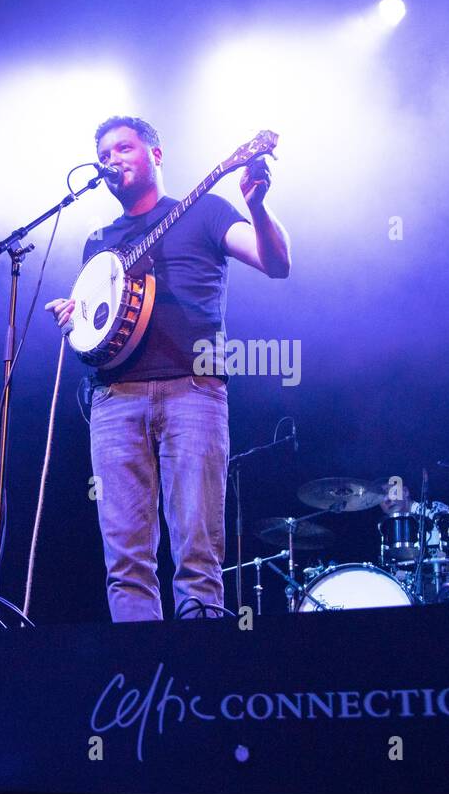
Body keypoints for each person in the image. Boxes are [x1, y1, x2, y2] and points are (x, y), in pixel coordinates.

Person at [46, 116, 291, 621]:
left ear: (156, 155)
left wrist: (258, 206)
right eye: (106, 154)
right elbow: (97, 326)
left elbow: (277, 263)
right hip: (114, 399)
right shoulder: (99, 242)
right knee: (125, 561)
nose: (113, 159)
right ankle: (143, 678)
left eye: (125, 148)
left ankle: (199, 678)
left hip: (194, 391)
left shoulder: (205, 211)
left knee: (197, 555)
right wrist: (74, 321)